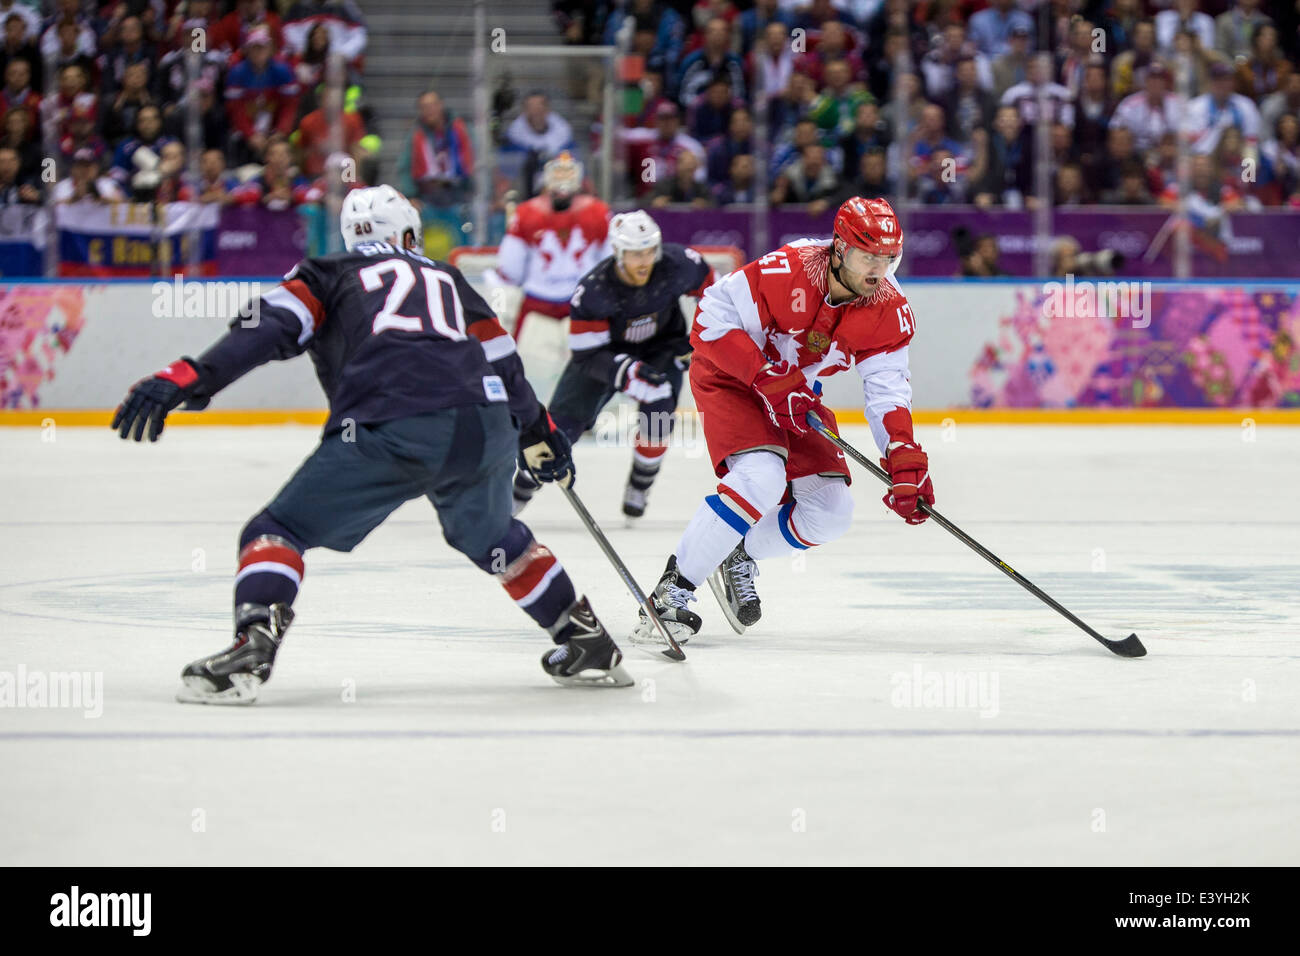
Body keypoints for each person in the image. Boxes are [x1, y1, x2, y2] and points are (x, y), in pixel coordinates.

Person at [109, 186, 632, 700]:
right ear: (408, 235)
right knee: (493, 538)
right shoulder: (447, 276)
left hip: (393, 420)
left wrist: (194, 375)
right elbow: (501, 357)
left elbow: (265, 328)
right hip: (486, 423)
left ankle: (252, 645)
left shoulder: (327, 272)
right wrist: (538, 430)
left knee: (278, 529)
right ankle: (582, 636)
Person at [628, 197, 933, 646]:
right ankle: (670, 594)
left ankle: (737, 553)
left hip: (795, 395)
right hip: (733, 378)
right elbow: (710, 319)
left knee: (831, 513)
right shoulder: (786, 269)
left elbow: (887, 390)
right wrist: (766, 377)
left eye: (888, 258)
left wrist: (902, 453)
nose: (879, 268)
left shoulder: (889, 308)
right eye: (869, 255)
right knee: (760, 477)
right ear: (840, 248)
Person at [511, 210, 714, 520]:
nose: (644, 260)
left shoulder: (679, 264)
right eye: (635, 253)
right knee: (558, 433)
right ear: (618, 252)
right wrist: (627, 371)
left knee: (658, 413)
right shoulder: (593, 291)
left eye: (649, 250)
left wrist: (702, 338)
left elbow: (715, 297)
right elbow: (586, 355)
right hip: (602, 355)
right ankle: (517, 492)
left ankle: (640, 483)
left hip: (661, 348)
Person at [492, 151, 611, 340]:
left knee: (524, 361)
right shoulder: (599, 210)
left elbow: (510, 268)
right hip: (583, 300)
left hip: (538, 301)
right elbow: (609, 264)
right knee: (594, 360)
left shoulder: (524, 212)